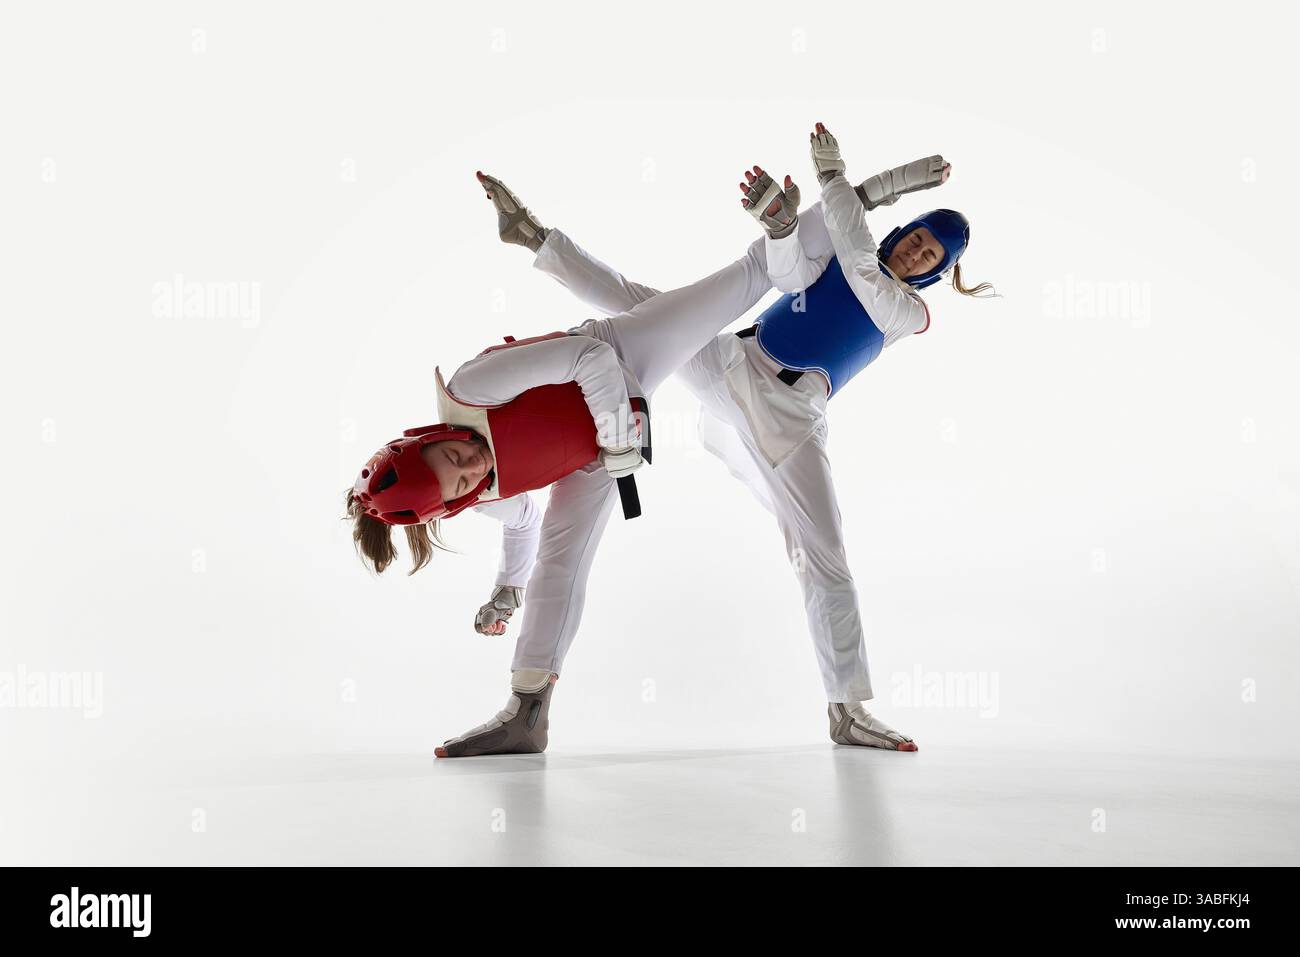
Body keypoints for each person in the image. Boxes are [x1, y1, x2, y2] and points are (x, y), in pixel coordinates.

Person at [481, 123, 995, 752]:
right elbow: (790, 274)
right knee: (644, 306)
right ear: (902, 233)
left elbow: (862, 266)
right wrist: (781, 230)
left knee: (823, 554)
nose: (917, 255)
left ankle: (848, 708)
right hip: (731, 365)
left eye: (930, 258)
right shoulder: (843, 247)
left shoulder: (909, 312)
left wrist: (847, 179)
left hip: (789, 416)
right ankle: (535, 238)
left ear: (938, 274)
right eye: (917, 241)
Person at [346, 180, 778, 757]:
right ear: (455, 505)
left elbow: (589, 357)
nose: (473, 465)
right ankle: (527, 712)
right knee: (559, 564)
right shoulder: (480, 493)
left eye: (454, 456)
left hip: (623, 354)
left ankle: (835, 215)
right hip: (594, 457)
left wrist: (621, 434)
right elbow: (522, 521)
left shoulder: (473, 387)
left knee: (744, 281)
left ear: (428, 437)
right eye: (464, 484)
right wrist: (506, 589)